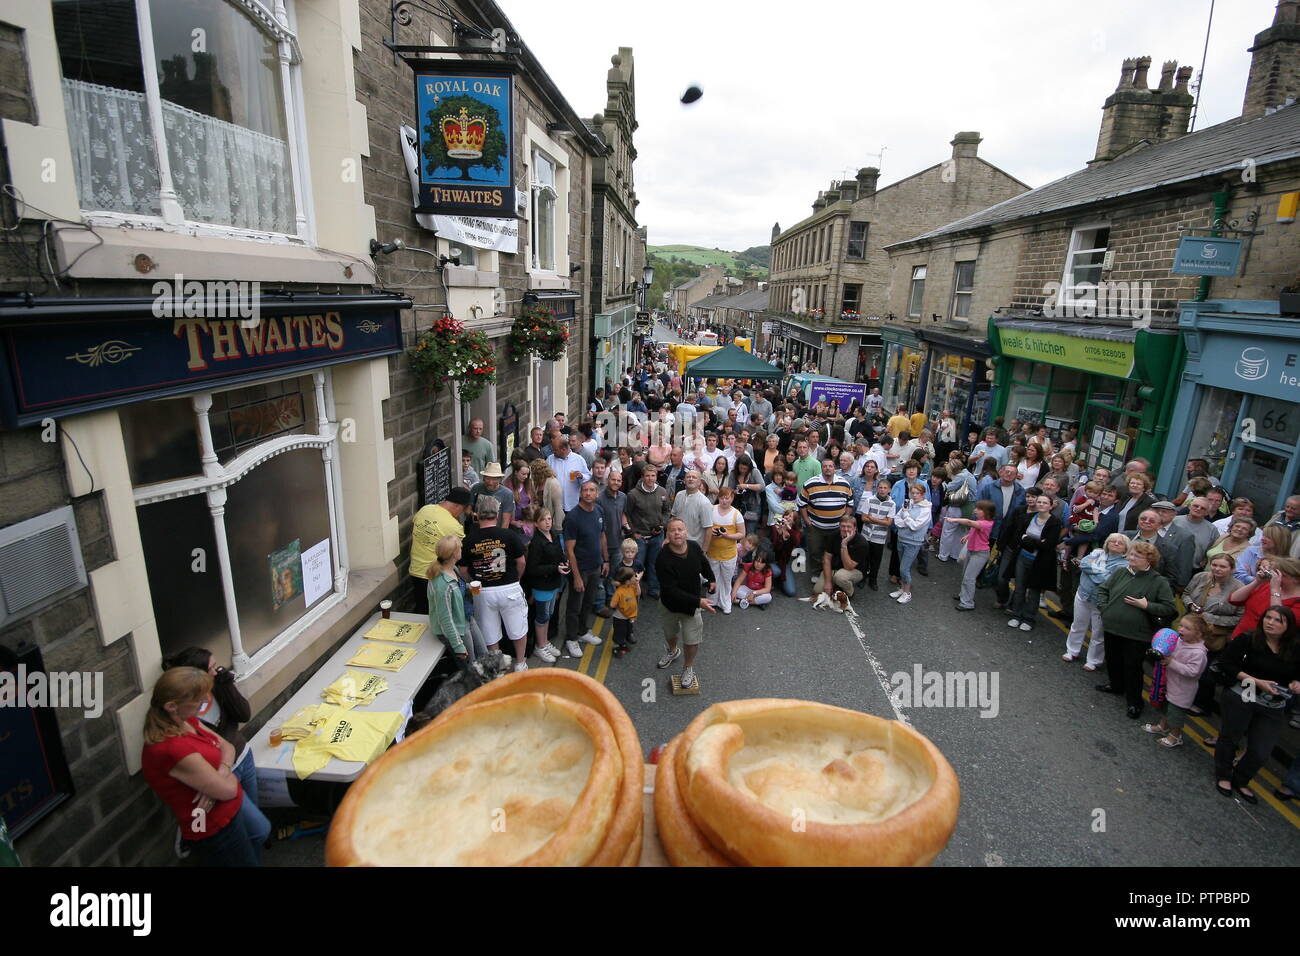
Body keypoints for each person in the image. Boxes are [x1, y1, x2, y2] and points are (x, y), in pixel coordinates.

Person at [142, 668, 271, 866]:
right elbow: (227, 791)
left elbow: (227, 747)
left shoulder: (187, 720)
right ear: (171, 706)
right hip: (214, 827)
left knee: (259, 832)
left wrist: (220, 774)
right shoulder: (173, 748)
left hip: (227, 812)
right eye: (198, 698)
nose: (205, 701)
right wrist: (219, 783)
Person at [1213, 606, 1300, 803]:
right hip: (1242, 695)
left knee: (1261, 750)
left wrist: (1296, 683)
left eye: (1278, 620)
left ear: (1289, 627)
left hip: (1273, 706)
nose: (1271, 622)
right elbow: (1227, 663)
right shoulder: (1248, 639)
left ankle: (1241, 779)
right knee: (1230, 737)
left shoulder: (1294, 648)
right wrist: (1255, 681)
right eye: (1268, 617)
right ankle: (1224, 775)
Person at [164, 647, 256, 811]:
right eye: (210, 670)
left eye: (216, 666)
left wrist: (227, 686)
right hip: (221, 773)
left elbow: (244, 714)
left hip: (242, 756)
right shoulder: (186, 709)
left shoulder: (218, 685)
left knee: (256, 810)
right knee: (243, 820)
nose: (216, 672)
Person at [1094, 540, 1177, 719]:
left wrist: (1146, 605)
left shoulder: (1158, 581)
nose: (1131, 558)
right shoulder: (1120, 572)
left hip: (1137, 634)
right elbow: (1103, 590)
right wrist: (1104, 607)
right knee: (1113, 659)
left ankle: (1134, 702)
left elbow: (1169, 608)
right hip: (1112, 627)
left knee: (1132, 667)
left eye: (1137, 556)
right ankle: (1115, 686)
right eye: (1131, 554)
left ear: (1149, 560)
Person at [458, 497, 530, 671]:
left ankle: (498, 668)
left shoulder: (469, 540)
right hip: (509, 587)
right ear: (497, 515)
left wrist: (471, 582)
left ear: (477, 516)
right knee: (518, 628)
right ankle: (520, 663)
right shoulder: (509, 535)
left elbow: (463, 570)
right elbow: (521, 562)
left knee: (490, 633)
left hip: (483, 591)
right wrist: (517, 579)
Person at [656, 517, 717, 690]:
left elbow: (704, 564)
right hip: (670, 605)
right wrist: (699, 601)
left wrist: (711, 579)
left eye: (680, 529)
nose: (677, 533)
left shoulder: (695, 547)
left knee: (691, 640)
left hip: (692, 607)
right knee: (670, 634)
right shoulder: (662, 558)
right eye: (673, 530)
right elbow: (670, 591)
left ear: (686, 532)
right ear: (667, 534)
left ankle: (688, 667)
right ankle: (673, 650)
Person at [1062, 533, 1130, 670]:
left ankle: (1093, 660)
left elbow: (1107, 581)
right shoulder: (1097, 552)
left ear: (1125, 549)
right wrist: (1100, 571)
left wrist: (1092, 570)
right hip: (1083, 595)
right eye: (1113, 541)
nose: (1115, 544)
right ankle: (1072, 651)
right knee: (1078, 624)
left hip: (1101, 602)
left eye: (1120, 543)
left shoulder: (1124, 565)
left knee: (1098, 632)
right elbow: (1083, 564)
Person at [1140, 613, 1209, 748]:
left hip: (1182, 690)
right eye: (1181, 625)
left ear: (1198, 634)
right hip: (1169, 683)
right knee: (1165, 708)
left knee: (1175, 714)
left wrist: (1171, 662)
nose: (1181, 629)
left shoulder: (1199, 653)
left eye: (1187, 628)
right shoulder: (1178, 641)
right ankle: (1163, 726)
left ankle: (1175, 736)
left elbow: (1193, 672)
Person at [1003, 492, 1063, 632]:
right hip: (1022, 558)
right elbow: (1019, 537)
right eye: (1039, 502)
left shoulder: (1055, 523)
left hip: (1039, 562)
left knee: (1034, 591)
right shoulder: (1028, 518)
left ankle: (1029, 618)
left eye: (1045, 503)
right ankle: (1016, 615)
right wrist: (1036, 542)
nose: (1041, 504)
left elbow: (1048, 545)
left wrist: (1027, 540)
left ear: (1050, 506)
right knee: (1019, 588)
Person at [564, 481, 609, 658]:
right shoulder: (573, 517)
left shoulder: (598, 510)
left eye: (591, 490)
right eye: (585, 490)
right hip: (580, 569)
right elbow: (569, 549)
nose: (588, 493)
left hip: (595, 566)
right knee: (574, 605)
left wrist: (605, 560)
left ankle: (583, 631)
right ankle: (571, 638)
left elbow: (602, 536)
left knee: (588, 602)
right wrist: (576, 577)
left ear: (597, 493)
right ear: (580, 494)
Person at [408, 487, 471, 614]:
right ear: (459, 506)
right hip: (436, 575)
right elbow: (457, 553)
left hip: (415, 570)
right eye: (464, 509)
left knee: (422, 611)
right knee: (439, 613)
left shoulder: (425, 510)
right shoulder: (454, 527)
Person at [429, 534, 487, 662]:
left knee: (484, 656)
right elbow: (446, 619)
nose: (462, 550)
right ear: (454, 553)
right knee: (471, 666)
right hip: (458, 628)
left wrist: (468, 587)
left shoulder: (453, 569)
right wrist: (458, 646)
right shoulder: (442, 584)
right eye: (460, 548)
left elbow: (457, 586)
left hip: (467, 617)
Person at [800, 456, 854, 589]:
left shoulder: (844, 483)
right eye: (825, 466)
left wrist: (844, 520)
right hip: (816, 527)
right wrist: (807, 520)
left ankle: (835, 574)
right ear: (821, 468)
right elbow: (802, 504)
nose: (828, 468)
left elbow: (850, 503)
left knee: (836, 551)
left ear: (834, 468)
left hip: (837, 528)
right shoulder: (810, 483)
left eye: (830, 466)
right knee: (815, 550)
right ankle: (816, 572)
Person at [522, 510, 567, 663]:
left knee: (549, 614)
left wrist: (563, 561)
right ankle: (539, 647)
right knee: (542, 616)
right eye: (543, 520)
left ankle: (545, 641)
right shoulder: (536, 543)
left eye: (549, 519)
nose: (548, 522)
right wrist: (555, 568)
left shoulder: (553, 535)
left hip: (554, 583)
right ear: (536, 523)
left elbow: (560, 553)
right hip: (542, 586)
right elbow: (533, 569)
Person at [627, 464, 673, 598]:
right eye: (647, 475)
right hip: (640, 536)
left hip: (657, 536)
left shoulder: (662, 492)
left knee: (654, 565)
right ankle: (634, 590)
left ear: (656, 476)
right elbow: (627, 514)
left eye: (653, 475)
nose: (650, 478)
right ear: (642, 477)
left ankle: (654, 589)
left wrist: (662, 524)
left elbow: (667, 511)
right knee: (637, 566)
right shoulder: (633, 494)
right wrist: (633, 532)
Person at [946, 500, 996, 612]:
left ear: (986, 512)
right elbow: (975, 529)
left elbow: (969, 523)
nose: (975, 510)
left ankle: (967, 603)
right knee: (966, 575)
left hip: (980, 553)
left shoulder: (986, 523)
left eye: (978, 509)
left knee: (969, 578)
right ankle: (964, 595)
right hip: (972, 551)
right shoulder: (980, 521)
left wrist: (954, 519)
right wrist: (968, 536)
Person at [705, 487, 745, 613]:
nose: (724, 501)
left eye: (727, 498)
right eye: (722, 498)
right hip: (712, 551)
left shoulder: (736, 514)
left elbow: (742, 534)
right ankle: (711, 601)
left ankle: (725, 602)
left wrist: (727, 536)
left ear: (732, 498)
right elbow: (705, 527)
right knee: (713, 578)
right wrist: (712, 532)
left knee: (726, 580)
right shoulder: (711, 509)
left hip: (729, 553)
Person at [890, 483, 931, 605]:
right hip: (901, 539)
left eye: (917, 493)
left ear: (923, 494)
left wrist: (906, 516)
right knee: (901, 567)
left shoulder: (926, 509)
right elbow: (897, 519)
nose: (914, 495)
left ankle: (907, 593)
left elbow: (915, 526)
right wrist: (906, 522)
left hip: (913, 542)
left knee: (904, 568)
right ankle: (902, 588)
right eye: (912, 493)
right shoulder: (908, 503)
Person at [814, 513, 869, 604]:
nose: (845, 529)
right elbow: (827, 559)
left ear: (855, 528)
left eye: (849, 526)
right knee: (817, 590)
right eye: (843, 526)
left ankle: (850, 592)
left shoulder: (862, 543)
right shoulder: (832, 536)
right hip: (835, 568)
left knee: (840, 577)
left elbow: (849, 567)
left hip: (855, 570)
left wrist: (844, 545)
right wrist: (828, 582)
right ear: (839, 526)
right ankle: (836, 585)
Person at [938, 456, 978, 562]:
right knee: (960, 531)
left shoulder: (960, 476)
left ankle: (943, 555)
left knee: (948, 531)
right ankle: (955, 554)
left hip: (958, 506)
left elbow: (949, 487)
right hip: (969, 507)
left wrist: (943, 484)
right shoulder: (970, 475)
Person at [547, 432, 591, 514]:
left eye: (555, 450)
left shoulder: (578, 459)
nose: (553, 452)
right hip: (555, 505)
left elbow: (588, 477)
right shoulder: (550, 459)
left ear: (563, 449)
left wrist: (582, 476)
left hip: (572, 504)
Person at [469, 462, 516, 529]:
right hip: (477, 530)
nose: (490, 482)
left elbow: (506, 521)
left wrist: (501, 537)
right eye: (488, 478)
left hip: (496, 531)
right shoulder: (476, 488)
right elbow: (468, 509)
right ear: (483, 478)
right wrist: (473, 515)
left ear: (500, 479)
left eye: (494, 479)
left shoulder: (507, 494)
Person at [609, 566, 639, 657]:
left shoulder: (632, 587)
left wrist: (637, 584)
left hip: (629, 615)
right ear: (627, 581)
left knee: (627, 629)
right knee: (619, 631)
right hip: (620, 617)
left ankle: (623, 644)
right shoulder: (619, 592)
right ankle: (616, 647)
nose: (636, 578)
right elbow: (612, 605)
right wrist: (619, 605)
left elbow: (638, 593)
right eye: (634, 577)